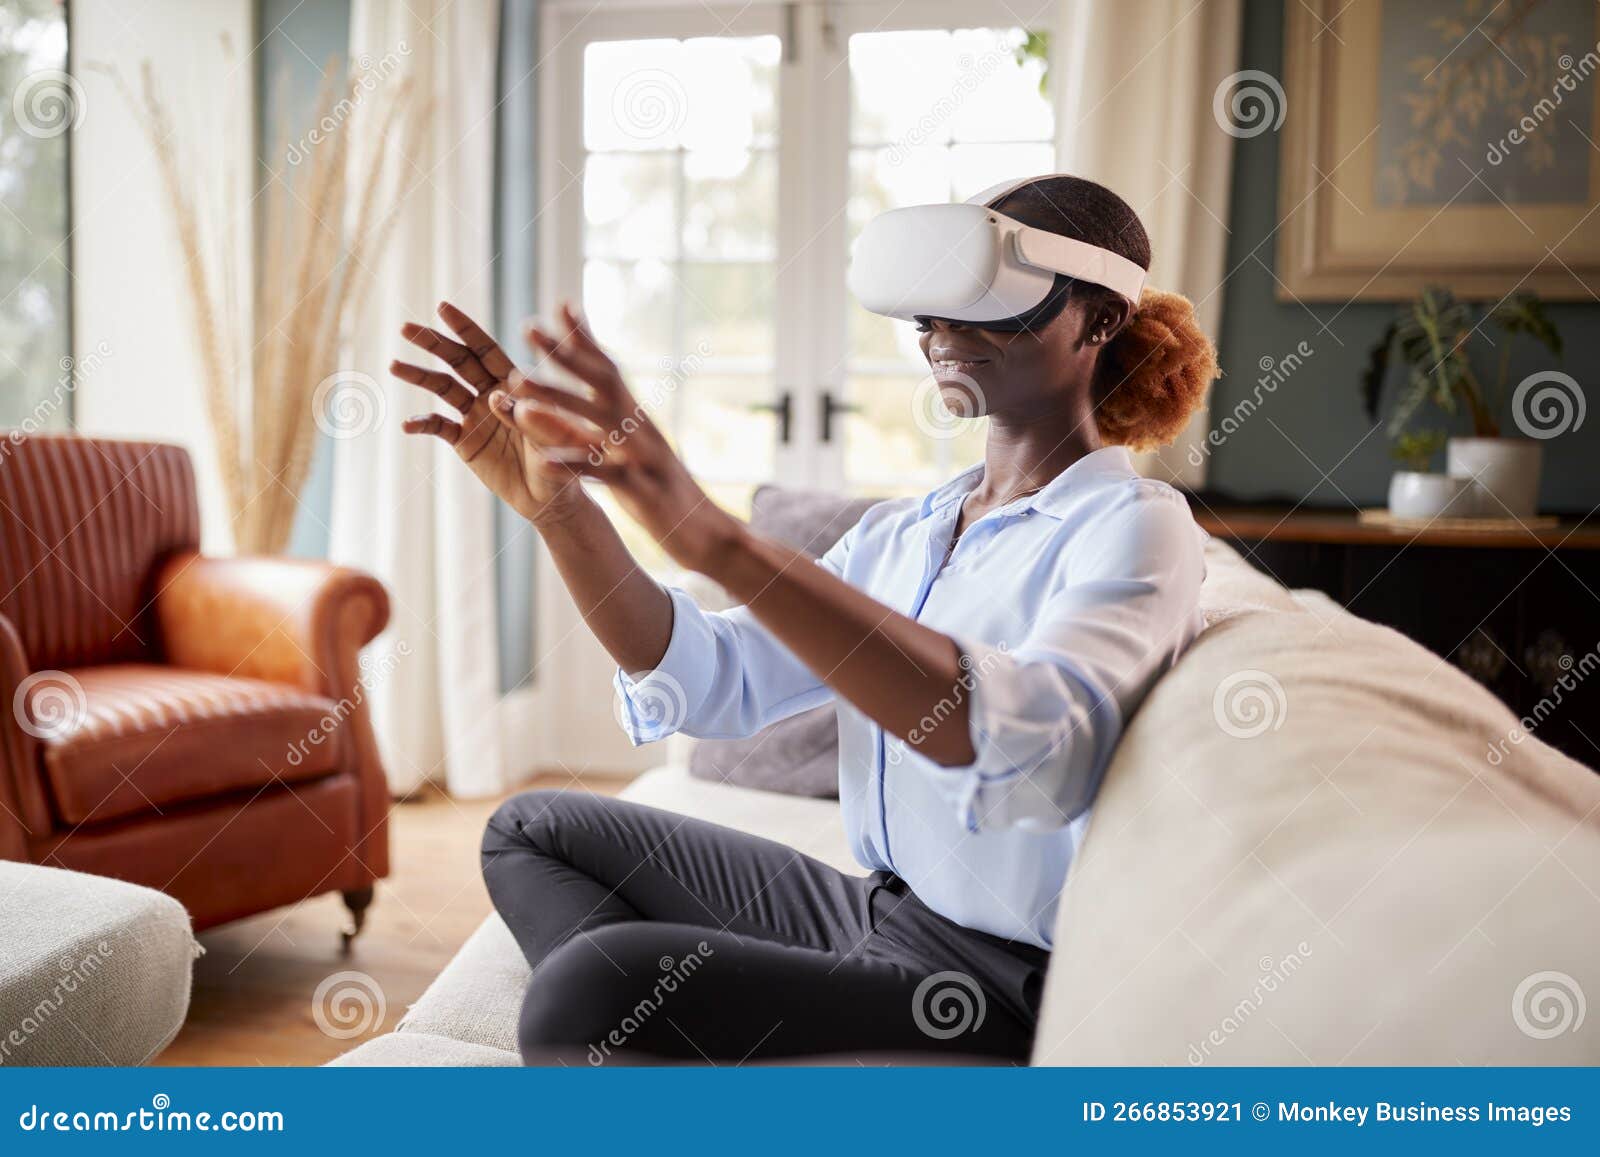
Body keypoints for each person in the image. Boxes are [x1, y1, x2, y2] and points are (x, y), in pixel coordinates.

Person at [390, 173, 1219, 1063]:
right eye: (932, 307)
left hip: (986, 987)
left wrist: (716, 539)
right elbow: (710, 677)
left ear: (1098, 321)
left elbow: (1029, 742)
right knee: (533, 830)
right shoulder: (908, 532)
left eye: (986, 300)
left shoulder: (1135, 527)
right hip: (874, 908)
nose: (941, 330)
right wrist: (564, 516)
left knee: (591, 986)